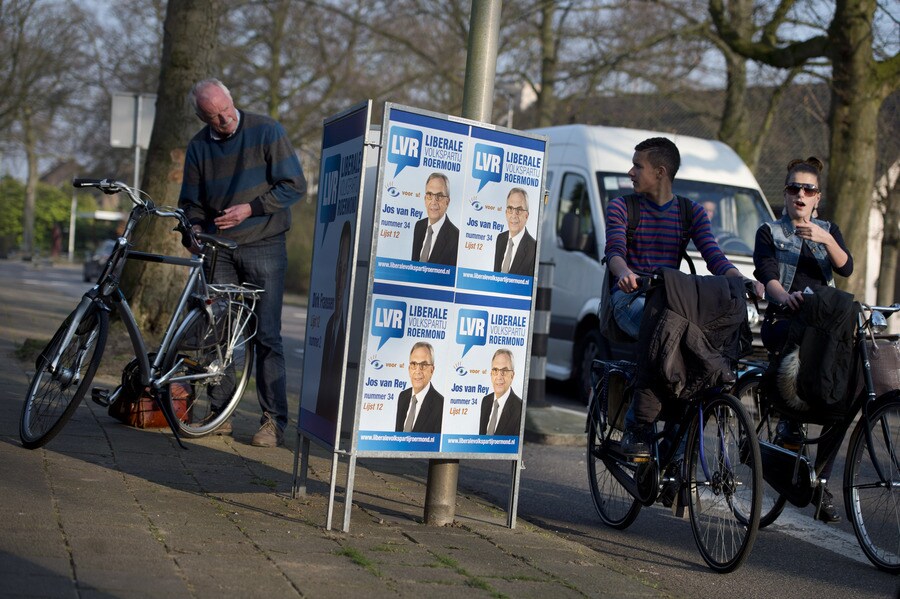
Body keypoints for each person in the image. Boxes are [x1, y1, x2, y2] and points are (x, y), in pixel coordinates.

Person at [605, 137, 763, 457]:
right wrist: (624, 273)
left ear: (661, 172)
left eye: (638, 166)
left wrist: (742, 281)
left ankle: (678, 439)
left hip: (670, 302)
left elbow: (715, 256)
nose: (630, 172)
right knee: (668, 335)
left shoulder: (690, 212)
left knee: (686, 339)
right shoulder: (622, 206)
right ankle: (638, 426)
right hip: (629, 299)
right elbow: (615, 253)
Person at [179, 78, 307, 447]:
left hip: (264, 243)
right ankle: (220, 415)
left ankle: (273, 422)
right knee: (216, 334)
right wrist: (196, 230)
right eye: (215, 116)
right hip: (219, 250)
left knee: (266, 335)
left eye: (227, 110)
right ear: (202, 117)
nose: (225, 120)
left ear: (233, 100)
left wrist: (251, 209)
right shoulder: (198, 147)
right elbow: (190, 203)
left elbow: (294, 184)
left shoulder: (267, 131)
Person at [753, 156, 853, 523]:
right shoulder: (769, 231)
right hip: (786, 321)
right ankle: (788, 425)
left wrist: (826, 238)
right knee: (803, 381)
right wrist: (784, 297)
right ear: (785, 193)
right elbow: (768, 274)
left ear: (817, 198)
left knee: (847, 394)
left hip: (823, 325)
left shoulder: (829, 230)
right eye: (794, 187)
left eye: (807, 189)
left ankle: (821, 477)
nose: (800, 193)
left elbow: (846, 267)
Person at [315, 221, 352, 425]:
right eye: (339, 267)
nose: (340, 278)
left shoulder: (349, 329)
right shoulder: (331, 324)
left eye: (346, 269)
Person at [395, 342, 444, 434]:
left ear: (432, 370)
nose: (418, 371)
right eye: (414, 364)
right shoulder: (403, 397)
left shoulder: (440, 405)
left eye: (424, 365)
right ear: (409, 369)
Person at [411, 172, 459, 266]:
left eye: (439, 196)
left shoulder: (456, 238)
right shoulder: (419, 226)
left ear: (447, 202)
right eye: (429, 195)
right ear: (425, 199)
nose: (433, 202)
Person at [479, 349, 523, 436]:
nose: (499, 377)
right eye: (495, 370)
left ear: (512, 376)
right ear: (491, 374)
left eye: (504, 371)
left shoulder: (520, 408)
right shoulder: (485, 401)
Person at [493, 187, 537, 276]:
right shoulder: (500, 238)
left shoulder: (534, 249)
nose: (514, 215)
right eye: (510, 209)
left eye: (519, 210)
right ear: (506, 213)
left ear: (526, 216)